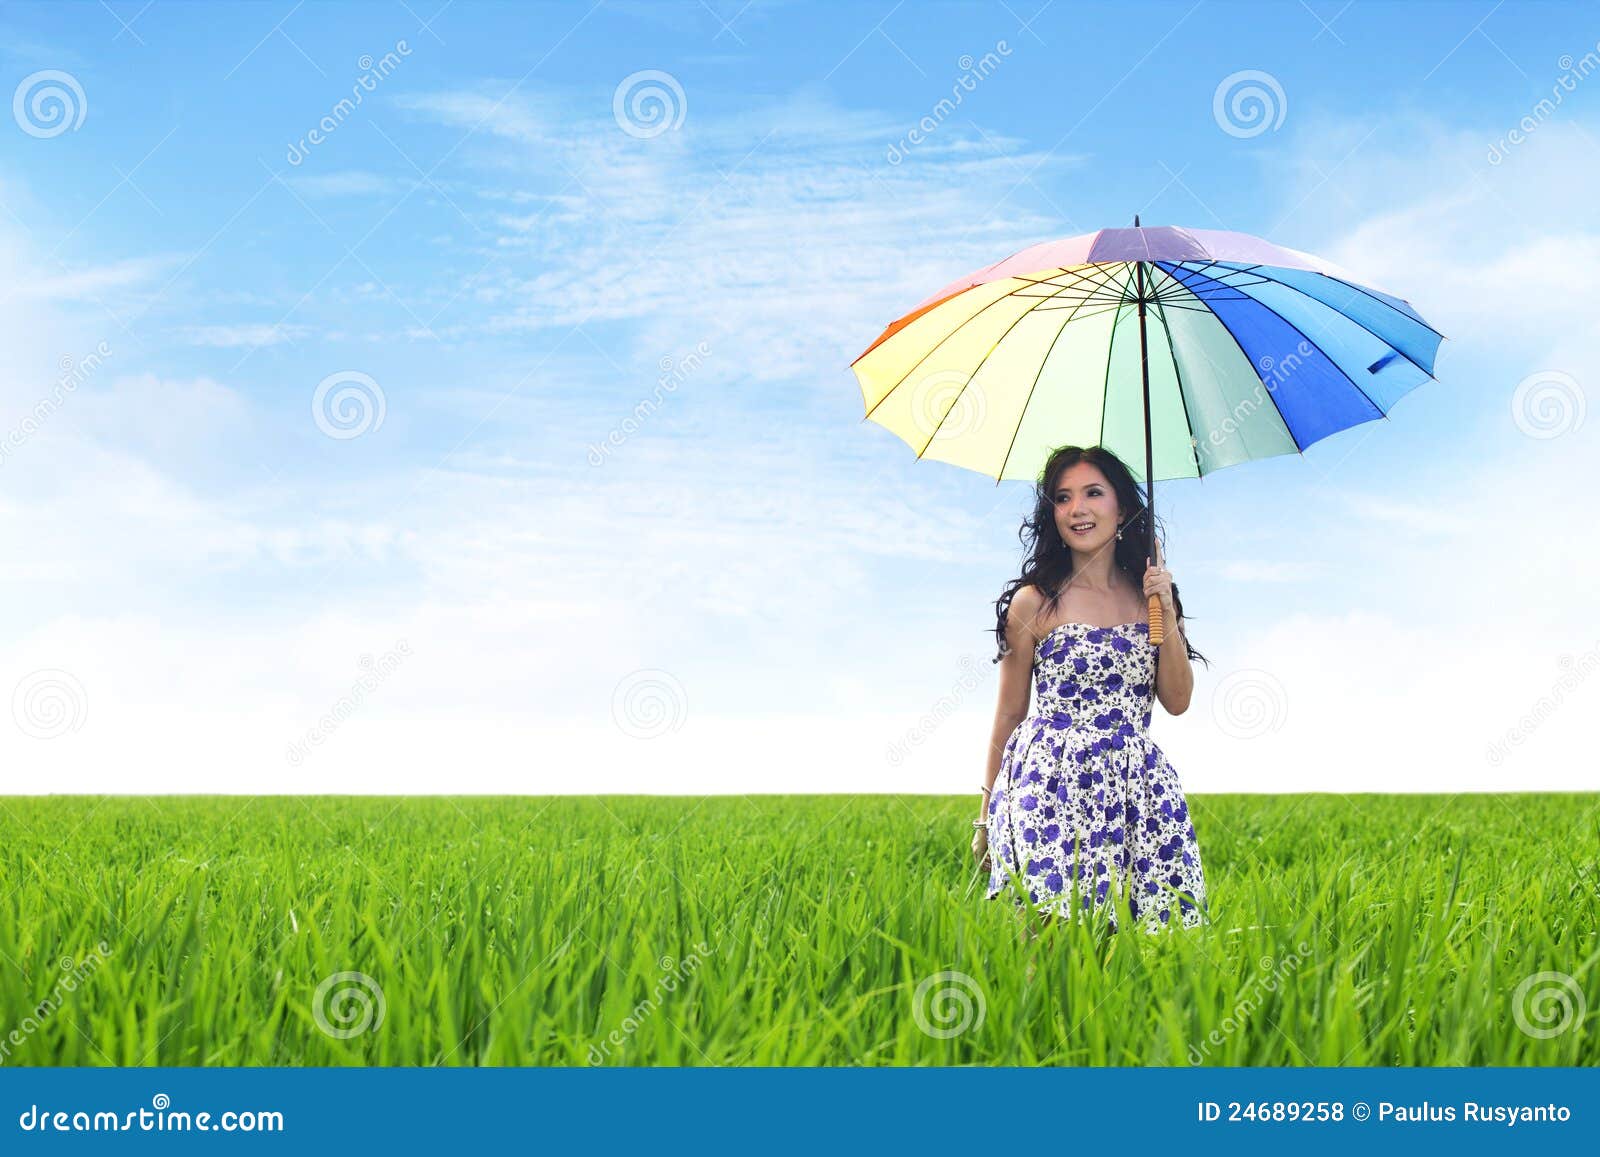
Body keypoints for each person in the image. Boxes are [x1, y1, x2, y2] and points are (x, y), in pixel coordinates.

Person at [973, 445, 1211, 934]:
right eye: (1063, 498)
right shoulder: (1034, 602)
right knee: (1047, 940)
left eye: (1093, 493)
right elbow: (1009, 713)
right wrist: (984, 818)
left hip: (1133, 786)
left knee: (1125, 947)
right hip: (1049, 783)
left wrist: (1165, 607)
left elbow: (1178, 700)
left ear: (1121, 509)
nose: (1076, 509)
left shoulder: (1152, 596)